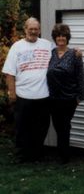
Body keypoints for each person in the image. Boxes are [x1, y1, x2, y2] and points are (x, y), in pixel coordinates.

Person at [2, 17, 52, 162]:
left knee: (41, 128)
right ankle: (21, 155)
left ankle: (37, 154)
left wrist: (76, 52)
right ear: (25, 30)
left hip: (43, 95)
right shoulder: (17, 47)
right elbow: (9, 72)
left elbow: (62, 53)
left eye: (36, 29)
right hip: (23, 96)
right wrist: (12, 93)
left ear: (40, 30)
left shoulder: (47, 45)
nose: (33, 31)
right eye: (30, 29)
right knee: (22, 128)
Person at [47, 23, 84, 164]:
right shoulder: (51, 53)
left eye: (63, 35)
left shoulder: (74, 54)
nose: (61, 38)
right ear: (55, 38)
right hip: (53, 97)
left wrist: (80, 97)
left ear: (67, 37)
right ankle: (62, 152)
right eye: (58, 36)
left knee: (64, 125)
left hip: (69, 98)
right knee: (57, 125)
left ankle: (64, 156)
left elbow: (80, 76)